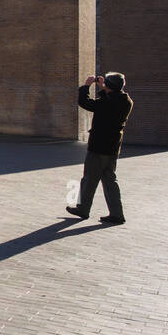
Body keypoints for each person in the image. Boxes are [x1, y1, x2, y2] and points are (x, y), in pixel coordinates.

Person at [66, 72, 133, 225]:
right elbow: (110, 100)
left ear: (110, 86)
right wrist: (104, 88)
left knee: (89, 179)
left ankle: (83, 209)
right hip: (113, 147)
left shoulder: (107, 103)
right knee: (110, 181)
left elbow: (85, 102)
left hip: (99, 147)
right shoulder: (127, 101)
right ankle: (117, 214)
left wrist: (86, 86)